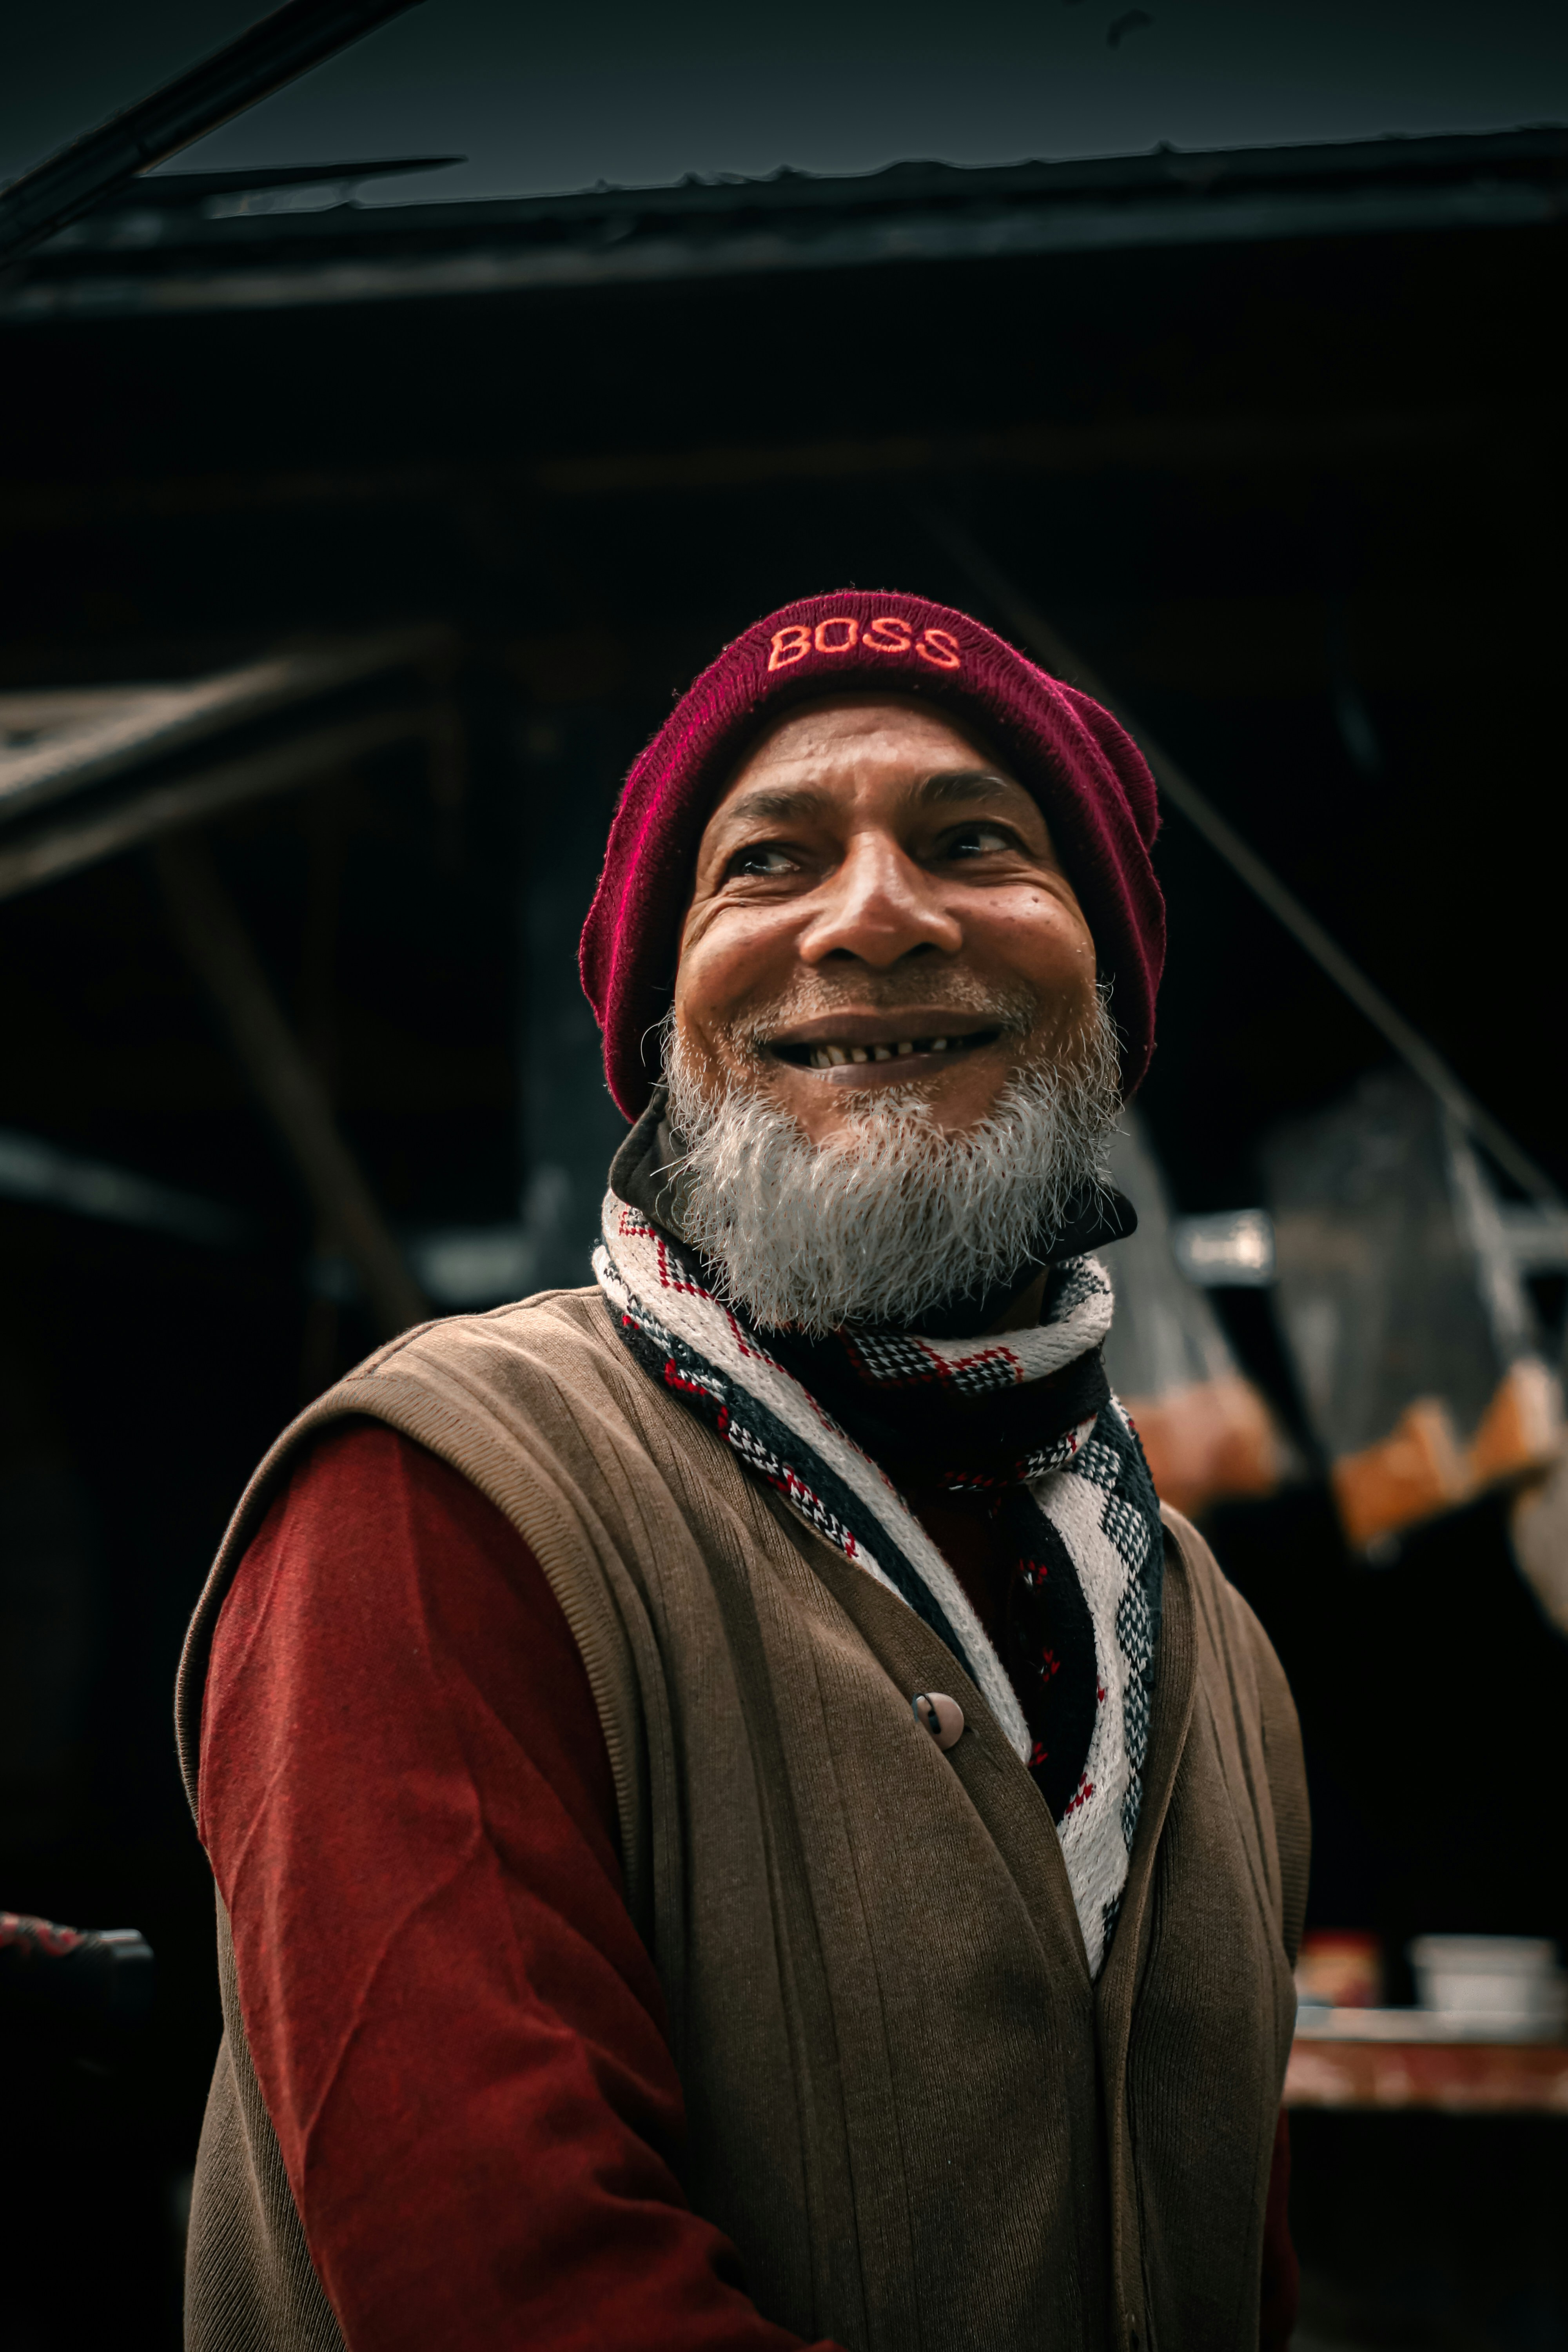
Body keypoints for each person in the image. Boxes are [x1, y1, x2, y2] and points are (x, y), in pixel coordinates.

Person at [178, 592, 1308, 2352]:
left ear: (1108, 990)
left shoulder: (1203, 1633)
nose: (874, 915)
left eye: (977, 842)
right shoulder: (442, 1500)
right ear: (663, 1023)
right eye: (768, 862)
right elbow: (510, 2291)